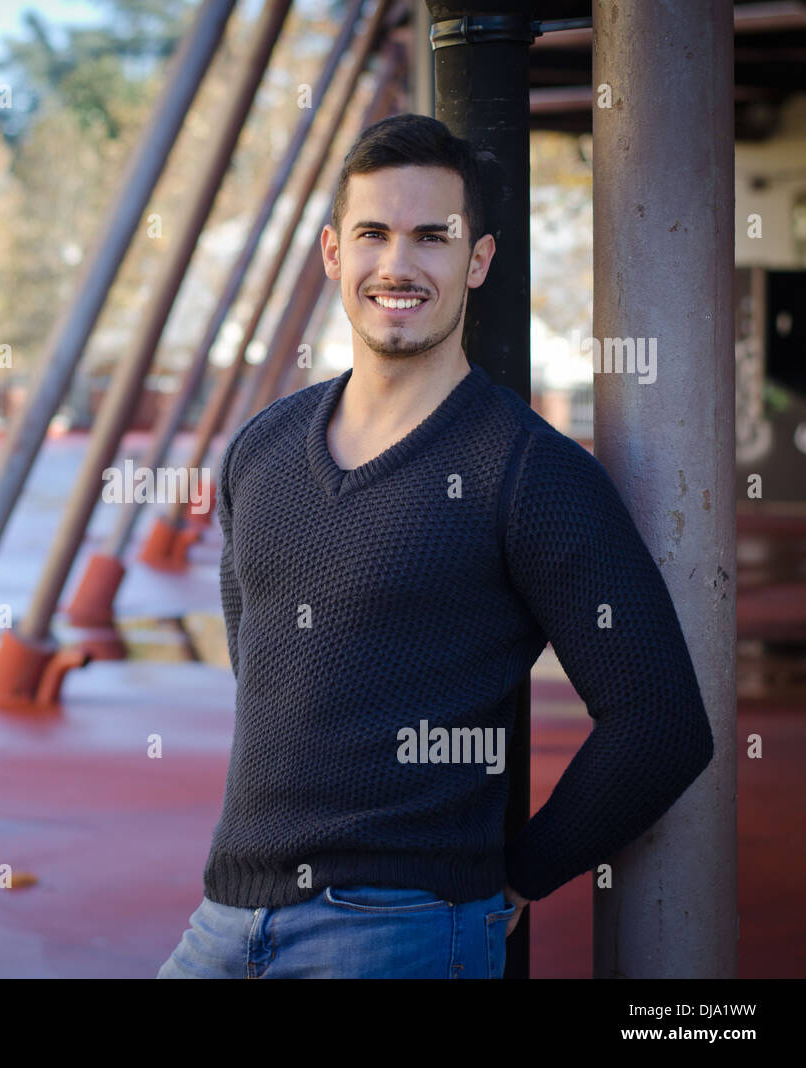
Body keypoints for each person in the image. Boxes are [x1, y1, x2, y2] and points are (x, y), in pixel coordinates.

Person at [156, 113, 714, 979]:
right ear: (334, 252)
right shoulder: (262, 449)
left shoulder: (530, 472)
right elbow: (265, 669)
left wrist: (516, 882)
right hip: (224, 917)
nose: (398, 265)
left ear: (477, 261)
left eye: (432, 237)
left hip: (399, 933)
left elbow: (662, 723)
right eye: (373, 234)